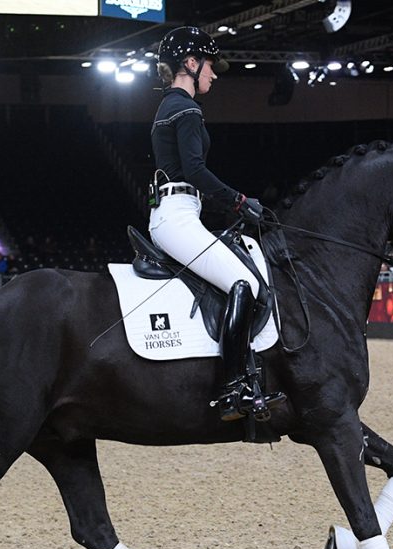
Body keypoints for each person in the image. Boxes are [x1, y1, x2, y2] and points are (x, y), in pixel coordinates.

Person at [149, 25, 283, 422]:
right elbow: (195, 170)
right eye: (209, 64)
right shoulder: (187, 110)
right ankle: (233, 388)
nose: (214, 73)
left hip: (177, 212)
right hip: (177, 215)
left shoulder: (168, 106)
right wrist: (239, 201)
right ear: (190, 63)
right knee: (244, 283)